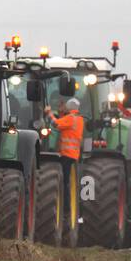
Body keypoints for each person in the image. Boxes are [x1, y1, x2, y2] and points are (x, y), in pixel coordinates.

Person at [44, 97, 85, 234]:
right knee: (66, 183)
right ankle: (67, 210)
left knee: (65, 183)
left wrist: (49, 113)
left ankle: (66, 210)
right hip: (73, 155)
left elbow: (56, 124)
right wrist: (61, 114)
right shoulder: (78, 119)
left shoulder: (71, 118)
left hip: (66, 154)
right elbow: (63, 123)